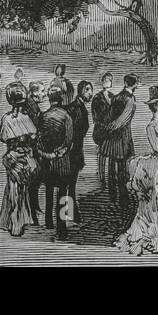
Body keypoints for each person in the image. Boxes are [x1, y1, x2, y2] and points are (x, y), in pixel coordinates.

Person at [115, 88, 158, 256]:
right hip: (155, 167)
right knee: (154, 202)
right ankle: (153, 235)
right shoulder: (152, 125)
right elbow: (157, 147)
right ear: (156, 106)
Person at [0, 82, 39, 236]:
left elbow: (3, 138)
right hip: (24, 156)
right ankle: (16, 224)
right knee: (21, 191)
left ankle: (9, 221)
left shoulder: (6, 118)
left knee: (12, 189)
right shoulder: (26, 118)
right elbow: (34, 136)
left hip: (12, 156)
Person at [35, 87, 77, 240]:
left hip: (47, 160)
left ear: (49, 98)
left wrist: (46, 154)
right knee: (63, 194)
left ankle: (48, 222)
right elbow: (69, 141)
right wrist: (58, 153)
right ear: (61, 98)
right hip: (62, 160)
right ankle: (62, 228)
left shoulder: (43, 116)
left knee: (48, 189)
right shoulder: (67, 116)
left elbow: (38, 140)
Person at [103, 73, 139, 212]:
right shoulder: (130, 99)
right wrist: (112, 127)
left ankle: (112, 195)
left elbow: (109, 116)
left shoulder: (116, 97)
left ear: (125, 83)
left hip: (113, 137)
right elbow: (123, 120)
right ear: (135, 85)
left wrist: (108, 129)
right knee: (123, 168)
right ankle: (123, 199)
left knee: (112, 165)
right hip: (123, 136)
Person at [67, 80, 93, 223]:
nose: (91, 93)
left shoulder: (79, 106)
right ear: (81, 91)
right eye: (88, 90)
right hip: (72, 152)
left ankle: (71, 215)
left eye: (91, 90)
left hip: (75, 151)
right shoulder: (77, 108)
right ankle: (67, 216)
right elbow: (75, 132)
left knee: (70, 185)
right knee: (68, 185)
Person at [91, 72, 115, 189]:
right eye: (105, 80)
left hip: (111, 130)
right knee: (101, 153)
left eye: (109, 80)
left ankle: (110, 178)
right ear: (102, 82)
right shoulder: (97, 97)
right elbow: (95, 116)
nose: (107, 82)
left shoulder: (113, 96)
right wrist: (104, 124)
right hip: (101, 130)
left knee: (111, 153)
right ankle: (101, 177)